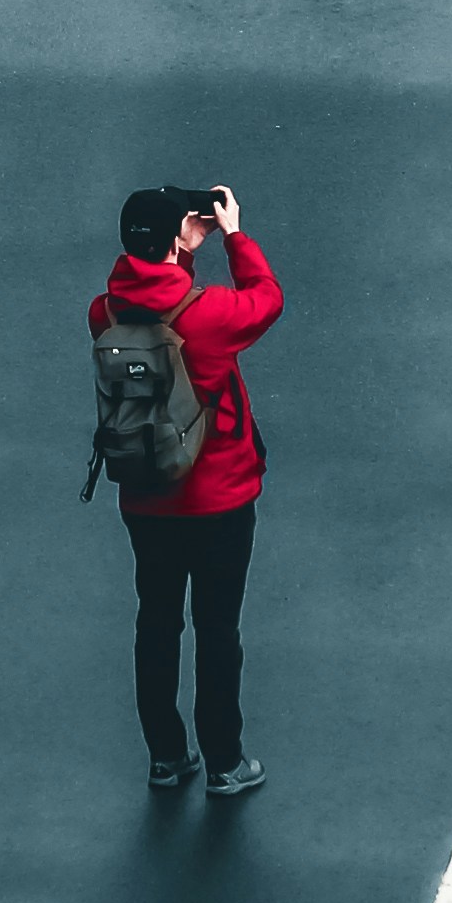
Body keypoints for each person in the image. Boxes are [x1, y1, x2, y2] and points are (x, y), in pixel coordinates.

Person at [88, 185, 282, 797]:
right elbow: (266, 300)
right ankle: (226, 761)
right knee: (217, 631)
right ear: (177, 237)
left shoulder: (103, 312)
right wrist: (232, 237)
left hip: (145, 496)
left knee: (157, 623)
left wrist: (178, 251)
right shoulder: (210, 315)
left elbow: (156, 300)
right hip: (219, 498)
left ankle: (167, 758)